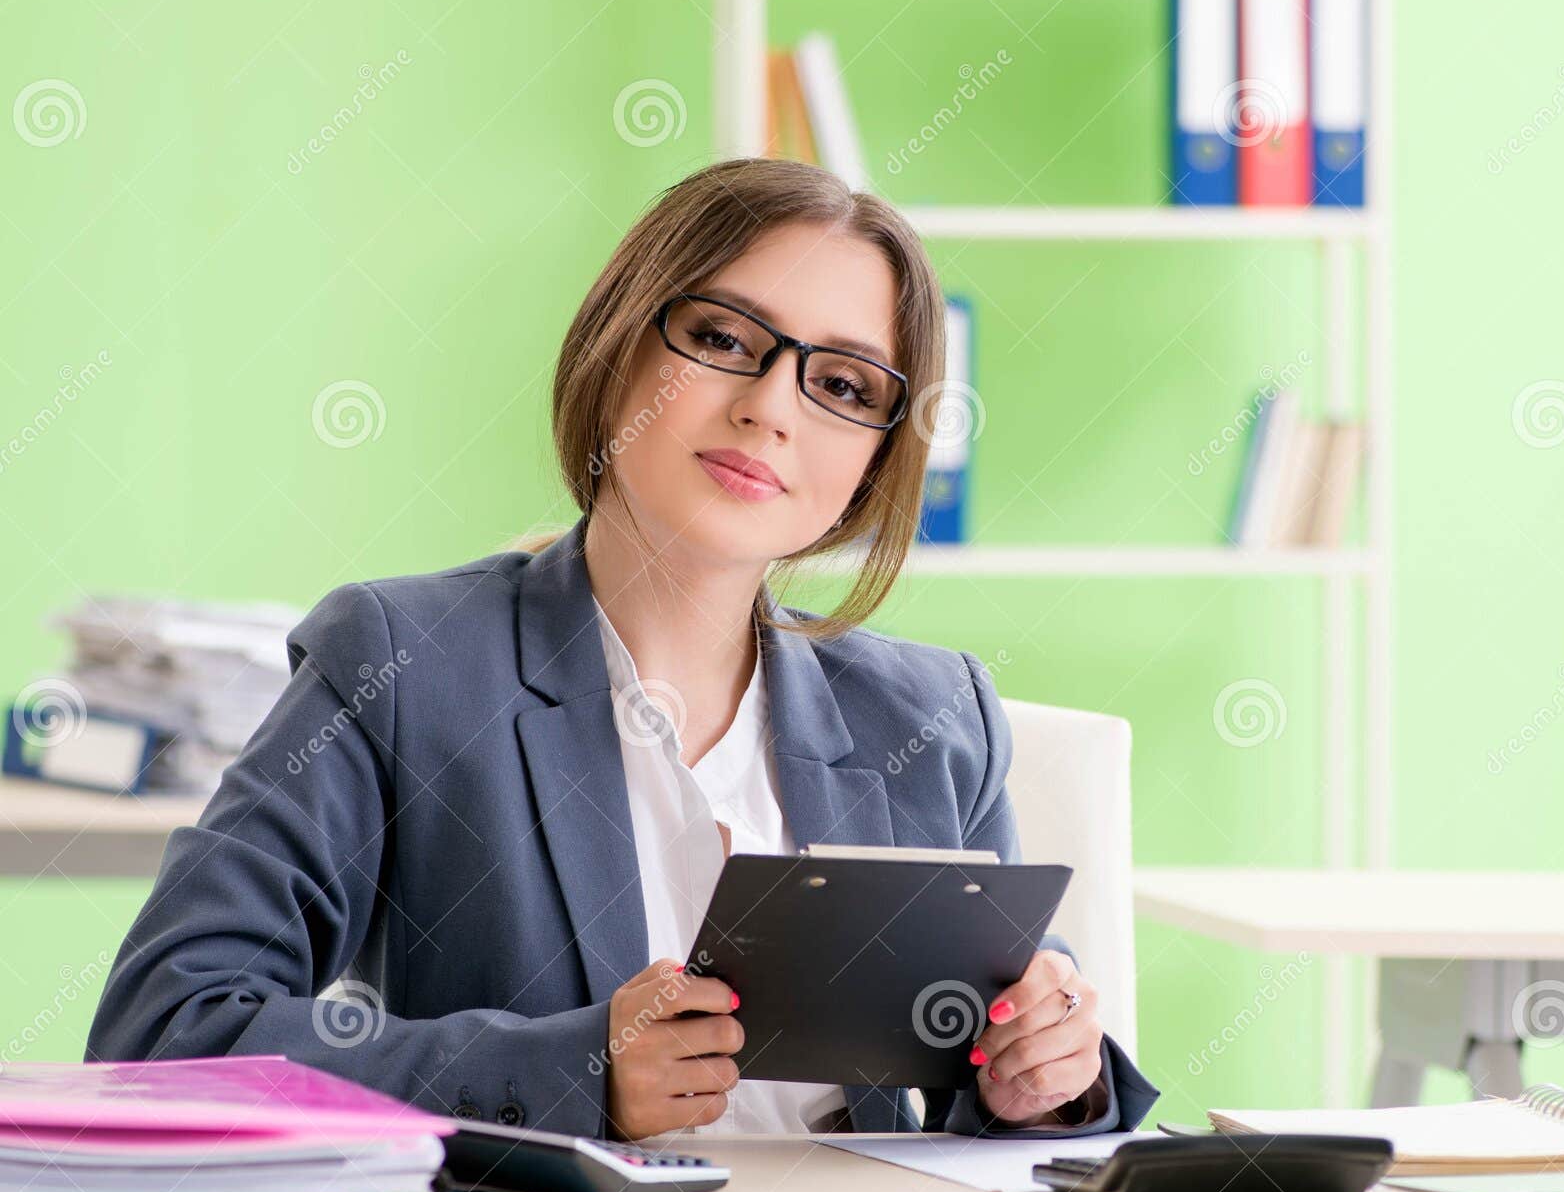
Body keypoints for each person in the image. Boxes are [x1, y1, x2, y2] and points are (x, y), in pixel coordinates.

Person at [87, 157, 1159, 1141]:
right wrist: (569, 1072)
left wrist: (1047, 1079)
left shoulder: (931, 719)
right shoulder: (403, 664)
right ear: (617, 348)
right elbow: (165, 1031)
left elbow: (1000, 1096)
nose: (769, 409)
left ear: (874, 463)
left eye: (843, 387)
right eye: (725, 340)